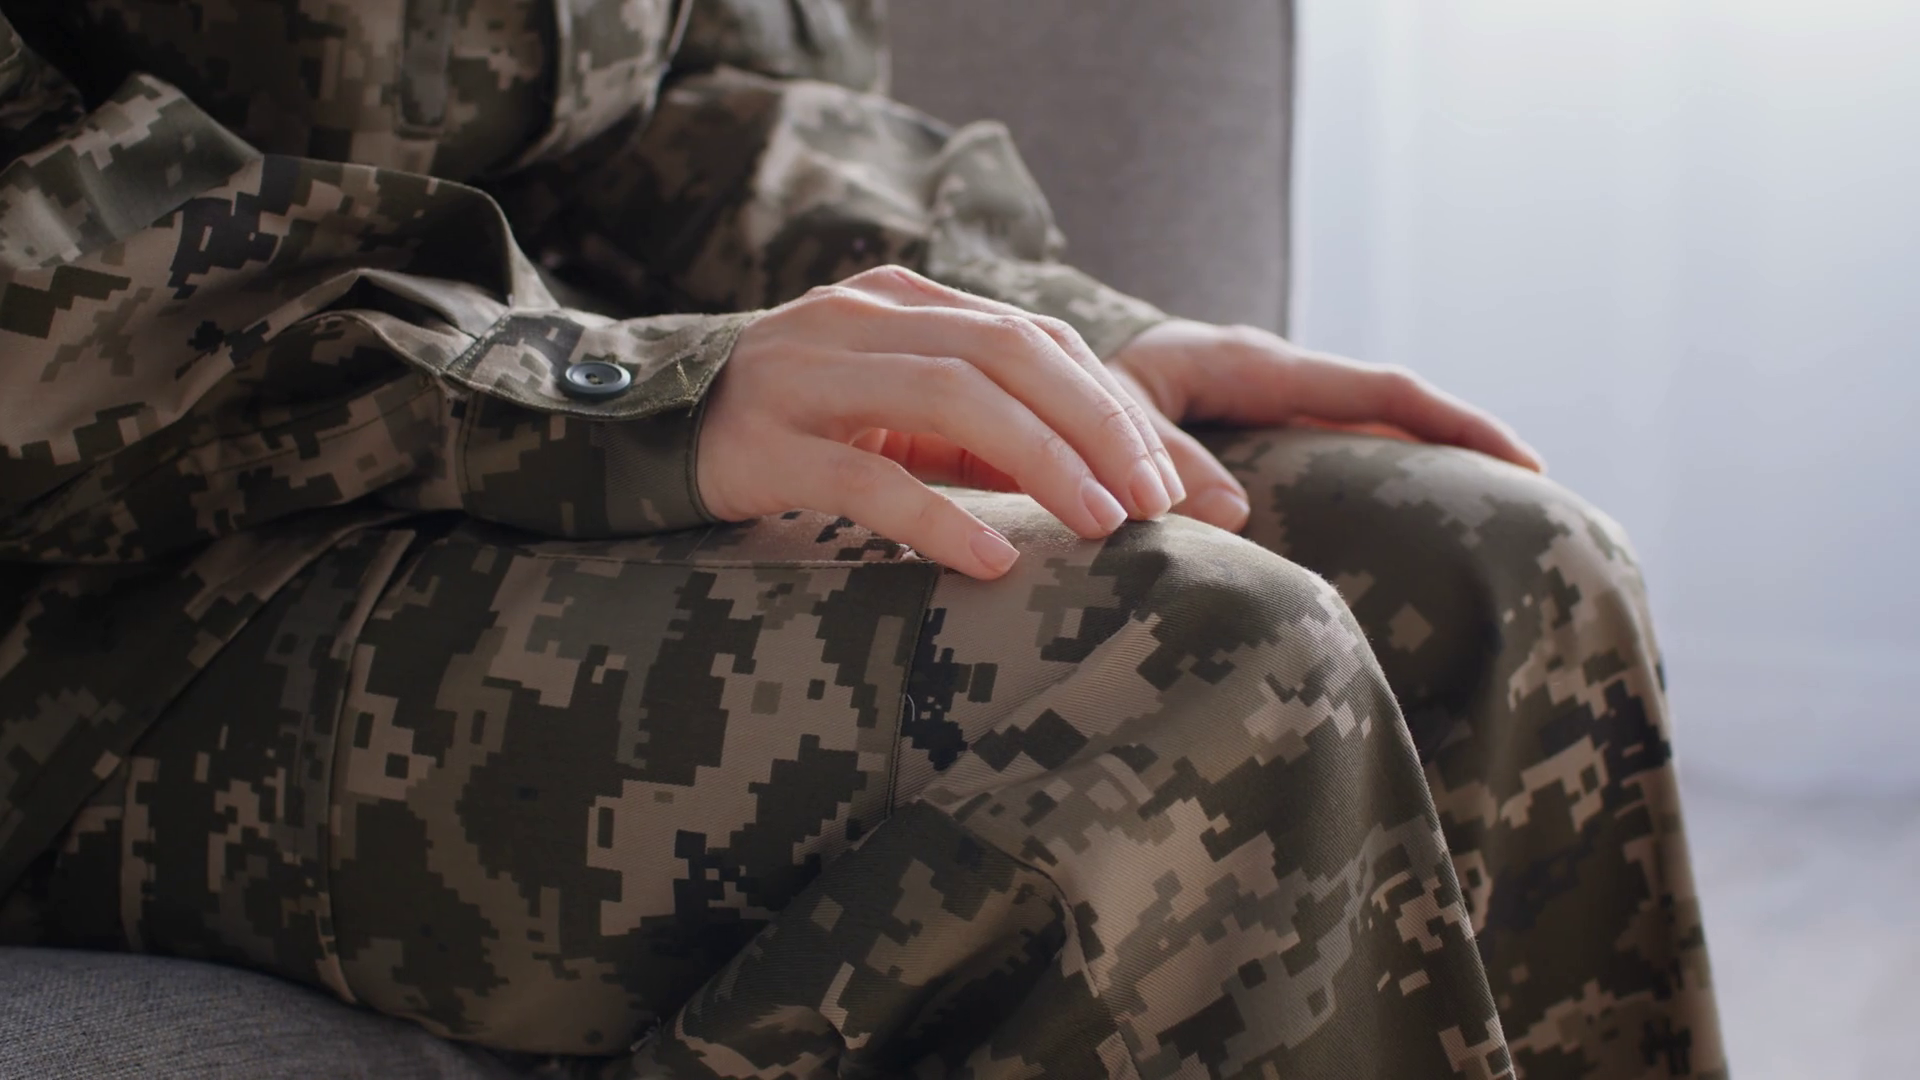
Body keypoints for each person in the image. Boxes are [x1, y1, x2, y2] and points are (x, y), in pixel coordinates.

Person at [0, 2, 1724, 1077]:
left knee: (1495, 573)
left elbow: (689, 102)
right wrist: (610, 387)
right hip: (105, 594)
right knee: (1181, 662)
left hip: (495, 434)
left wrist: (1036, 333)